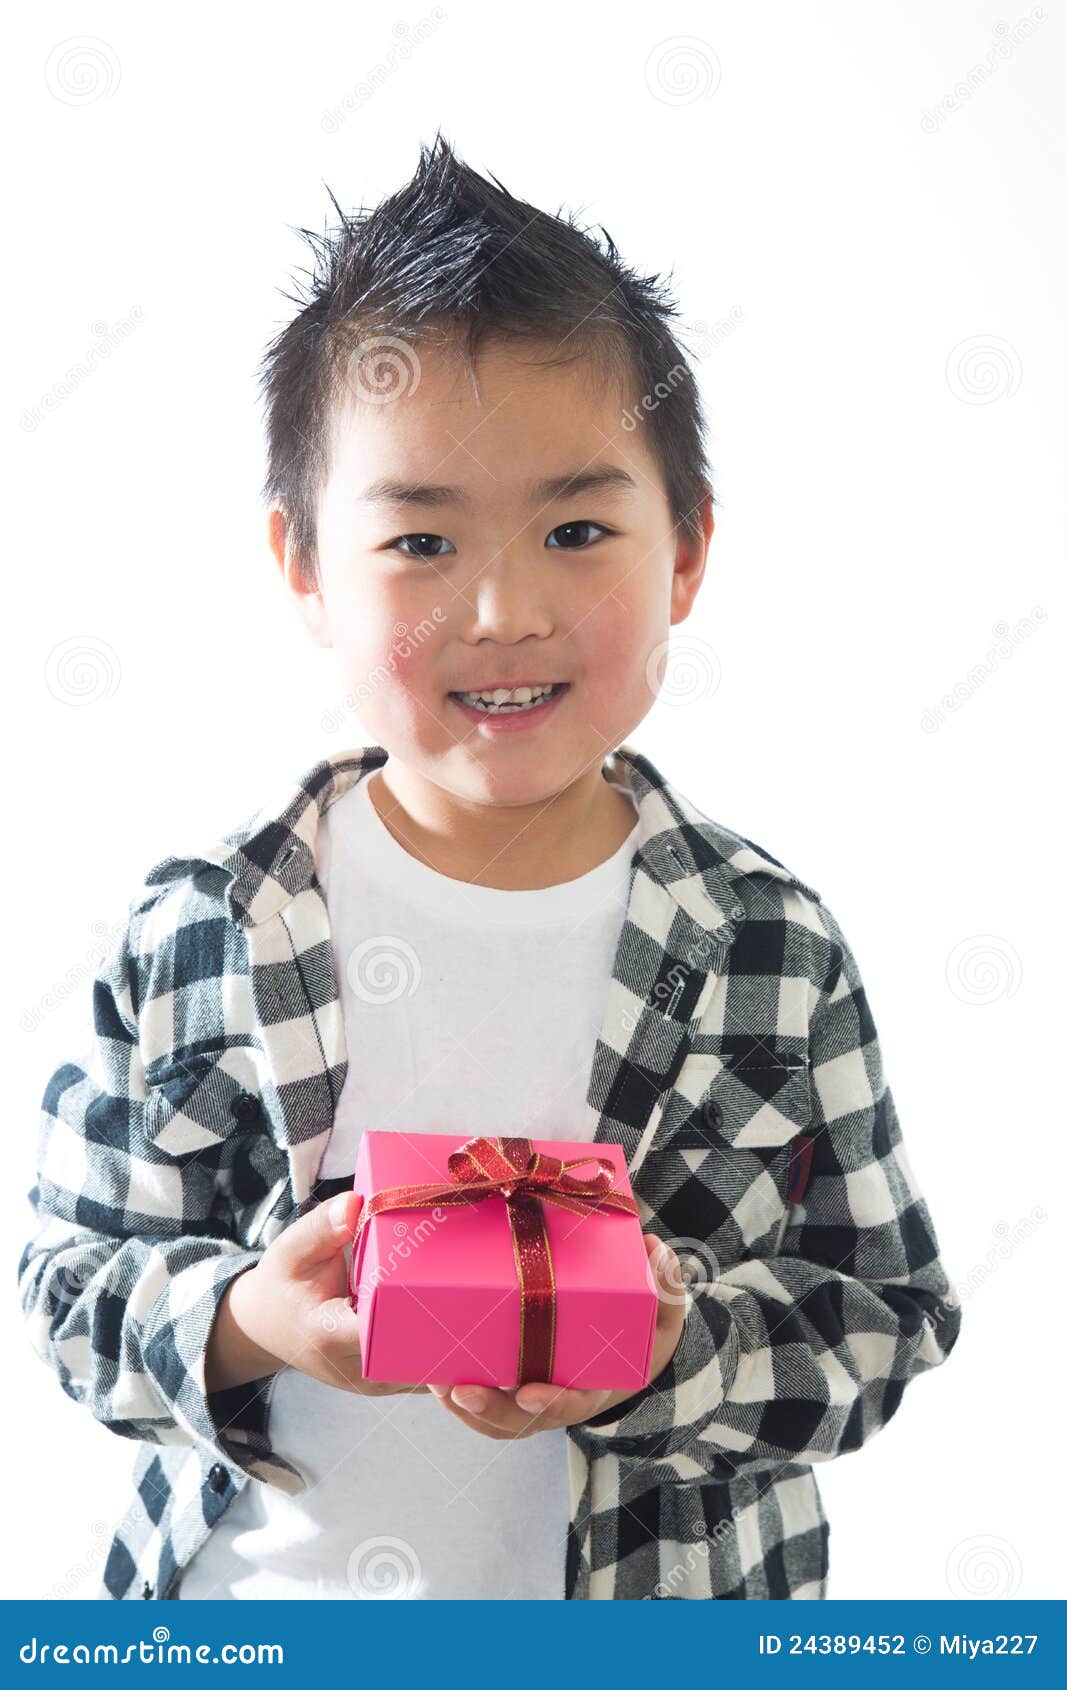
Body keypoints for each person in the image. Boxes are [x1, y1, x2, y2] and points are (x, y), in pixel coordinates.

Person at [18, 132, 962, 1601]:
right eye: (420, 541)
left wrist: (675, 1345)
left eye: (577, 527)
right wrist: (248, 1317)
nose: (504, 606)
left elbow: (890, 1313)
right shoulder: (201, 925)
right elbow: (69, 1288)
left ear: (688, 555)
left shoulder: (772, 942)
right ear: (307, 573)